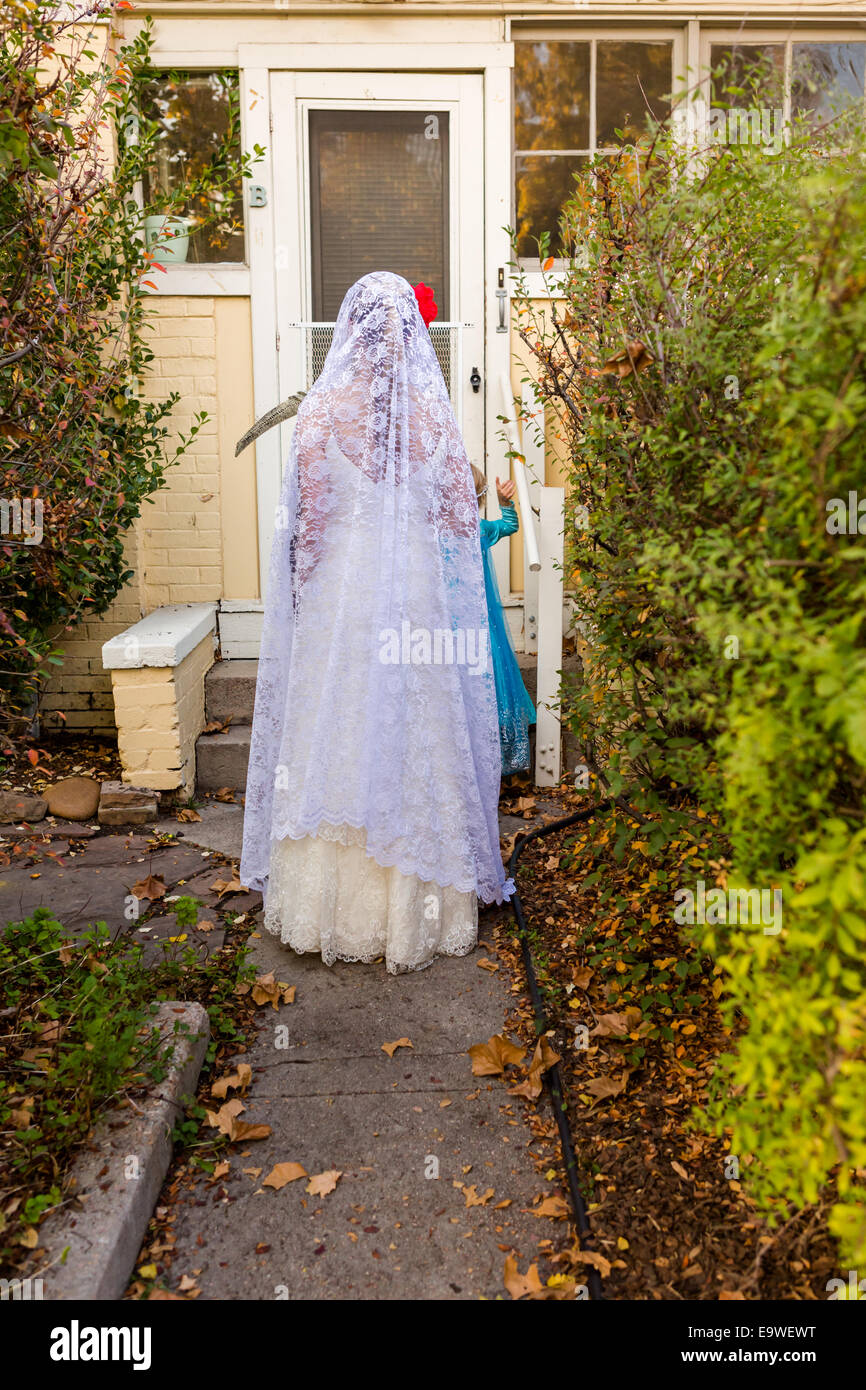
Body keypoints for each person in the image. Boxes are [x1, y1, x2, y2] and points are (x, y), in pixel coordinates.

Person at [239, 272, 513, 974]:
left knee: (337, 726)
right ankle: (417, 906)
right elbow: (458, 528)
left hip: (343, 602)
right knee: (420, 730)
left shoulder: (320, 416)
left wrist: (304, 609)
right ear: (412, 335)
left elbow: (308, 532)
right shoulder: (437, 421)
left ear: (351, 333)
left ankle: (332, 908)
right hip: (418, 602)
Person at [472, 466, 537, 776]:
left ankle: (490, 752)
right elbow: (510, 525)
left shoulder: (478, 529)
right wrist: (504, 503)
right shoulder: (473, 529)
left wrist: (505, 503)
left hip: (474, 620)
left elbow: (509, 526)